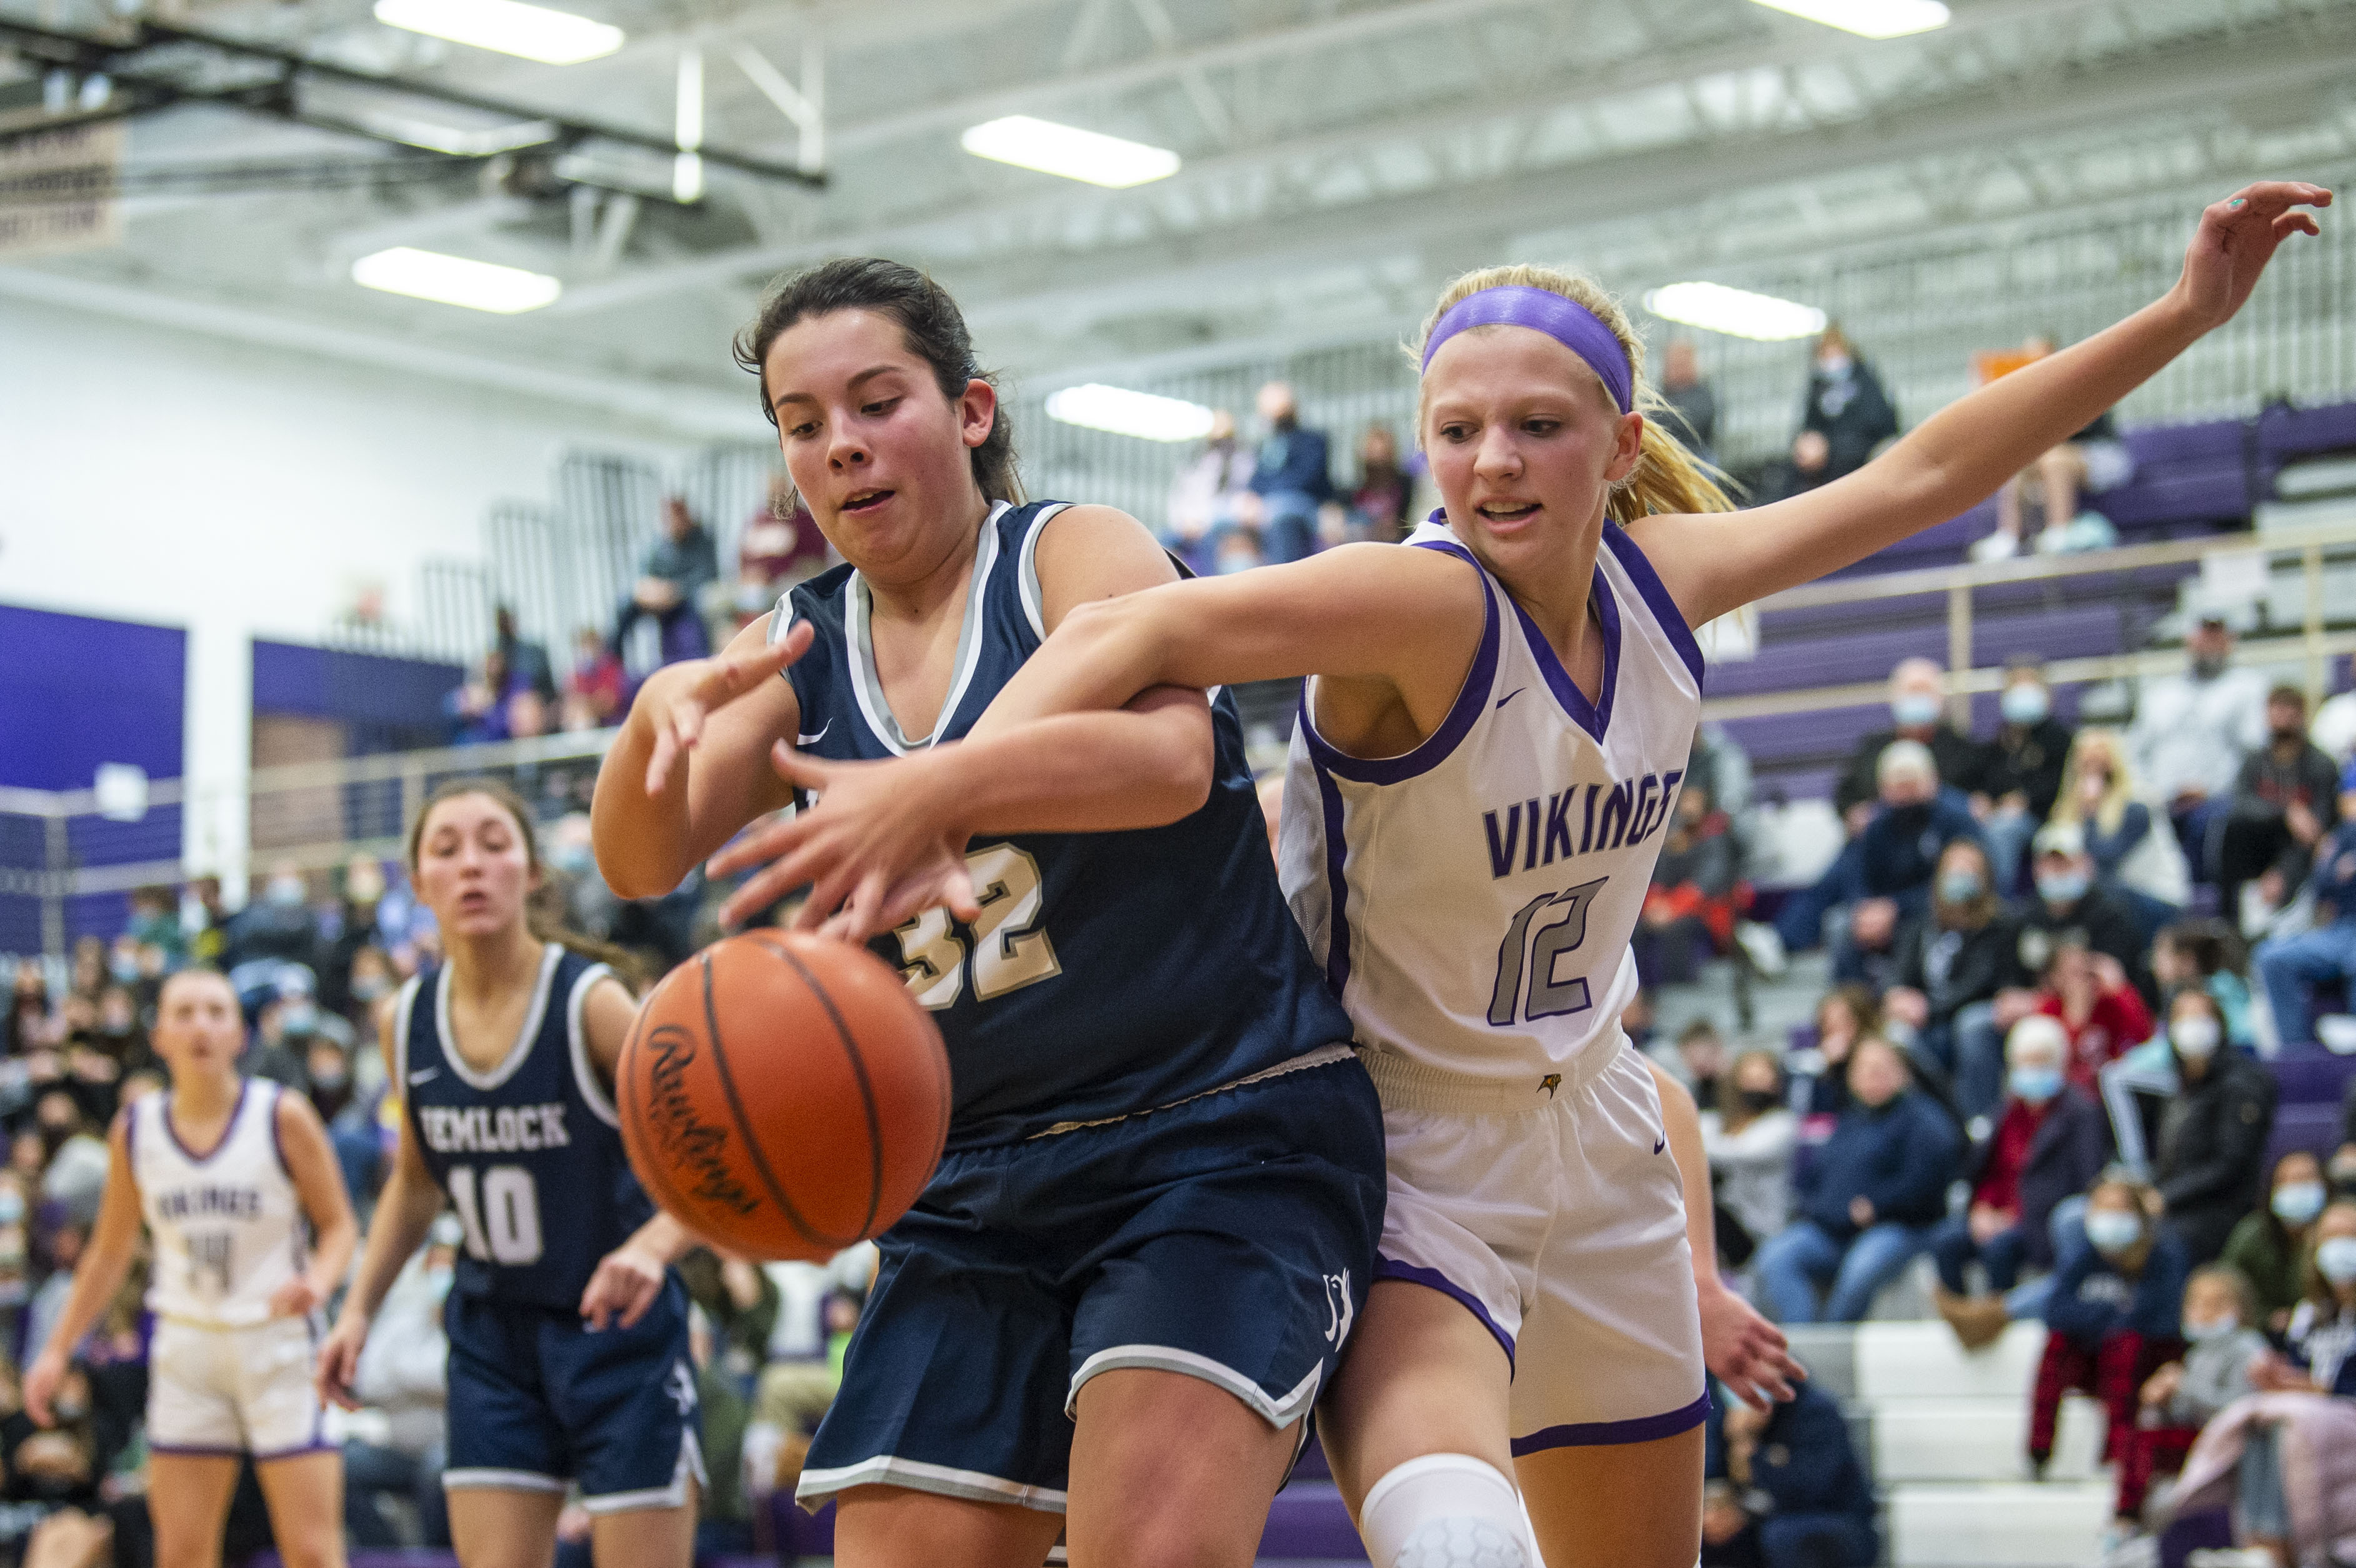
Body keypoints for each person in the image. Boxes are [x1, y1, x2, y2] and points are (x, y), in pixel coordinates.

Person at [722, 185, 2331, 1568]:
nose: (1490, 463)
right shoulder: (1413, 601)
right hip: (1406, 1142)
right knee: (1460, 1540)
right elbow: (1138, 626)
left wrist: (2183, 314)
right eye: (1455, 431)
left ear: (1620, 444)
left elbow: (1917, 480)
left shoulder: (1662, 579)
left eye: (1537, 428)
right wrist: (947, 786)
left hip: (1599, 1129)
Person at [594, 257, 1391, 1568]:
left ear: (970, 410)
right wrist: (648, 721)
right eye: (802, 422)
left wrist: (940, 789)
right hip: (969, 1185)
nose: (840, 444)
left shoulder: (1070, 551)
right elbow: (640, 857)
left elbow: (1171, 761)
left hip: (1214, 1132)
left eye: (875, 402)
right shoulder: (797, 649)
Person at [316, 781, 704, 1568]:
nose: (472, 865)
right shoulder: (404, 1020)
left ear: (531, 872)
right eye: (447, 849)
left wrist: (651, 1248)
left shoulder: (592, 1003)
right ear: (417, 884)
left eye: (494, 844)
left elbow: (710, 1155)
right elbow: (416, 1183)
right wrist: (357, 1309)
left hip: (617, 1331)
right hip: (494, 1339)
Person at [21, 967, 357, 1568]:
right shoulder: (136, 1129)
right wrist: (57, 1348)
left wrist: (319, 1281)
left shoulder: (282, 1115)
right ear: (159, 1037)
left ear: (240, 1035)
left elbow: (339, 1225)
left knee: (312, 1551)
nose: (200, 1025)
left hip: (278, 1346)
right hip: (188, 1351)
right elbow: (109, 1251)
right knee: (180, 1551)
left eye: (216, 1012)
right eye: (184, 1012)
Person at [2168, 1199, 2356, 1568]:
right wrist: (2278, 1377)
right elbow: (2300, 1371)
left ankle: (2278, 1546)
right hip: (2306, 1409)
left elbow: (2330, 1385)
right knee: (2257, 1415)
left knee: (2288, 1418)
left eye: (2350, 1235)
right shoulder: (2309, 1314)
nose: (2341, 1245)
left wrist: (2316, 1390)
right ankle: (2255, 1542)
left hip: (2341, 1412)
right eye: (2332, 1236)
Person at [1932, 1014, 2112, 1349]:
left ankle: (1994, 1327)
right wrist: (1981, 1208)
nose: (2032, 1072)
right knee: (1947, 1241)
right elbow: (1987, 1173)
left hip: (2040, 1219)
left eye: (2040, 1062)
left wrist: (2013, 1217)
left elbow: (2085, 1181)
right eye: (2025, 1063)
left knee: (2000, 1249)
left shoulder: (2080, 1114)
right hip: (1995, 1213)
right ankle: (1961, 1324)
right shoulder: (2007, 1112)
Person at [1756, 1038, 1962, 1325]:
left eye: (1880, 1068)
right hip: (1831, 1231)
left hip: (1898, 1228)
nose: (1871, 1076)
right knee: (1776, 1256)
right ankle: (1802, 1339)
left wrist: (1877, 1206)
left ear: (1902, 1073)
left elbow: (1927, 1183)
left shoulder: (1924, 1120)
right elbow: (1816, 1178)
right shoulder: (1850, 1119)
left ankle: (1831, 1339)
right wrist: (1815, 1208)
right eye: (1863, 1069)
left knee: (1862, 1268)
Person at [2030, 1171, 2187, 1481]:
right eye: (2102, 1209)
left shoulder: (2164, 1256)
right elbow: (2056, 1311)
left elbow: (2161, 1320)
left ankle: (2116, 1454)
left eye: (2119, 1209)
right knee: (2057, 1344)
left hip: (2146, 1361)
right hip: (2095, 1355)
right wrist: (2110, 1313)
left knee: (2124, 1343)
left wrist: (2104, 1320)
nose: (2110, 1218)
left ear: (2139, 1216)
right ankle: (2039, 1451)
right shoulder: (2082, 1255)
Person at [2114, 1264, 2265, 1540]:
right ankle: (2128, 1517)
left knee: (2146, 1444)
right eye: (2197, 1303)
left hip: (2228, 1442)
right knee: (2138, 1432)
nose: (2205, 1311)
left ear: (2241, 1308)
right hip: (2198, 1434)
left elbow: (2239, 1408)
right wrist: (2163, 1400)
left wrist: (2184, 1386)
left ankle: (2128, 1517)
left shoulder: (2248, 1347)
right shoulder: (2197, 1353)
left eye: (2217, 1303)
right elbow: (2186, 1410)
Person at [1880, 837, 2016, 1120]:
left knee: (1969, 1026)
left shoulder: (2000, 925)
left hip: (1969, 1015)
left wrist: (1928, 1008)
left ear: (1984, 878)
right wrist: (1896, 996)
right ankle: (1920, 1120)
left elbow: (1980, 982)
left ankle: (1978, 1119)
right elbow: (1898, 974)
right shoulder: (1922, 924)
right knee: (1894, 1033)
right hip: (1927, 1020)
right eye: (1953, 868)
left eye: (1968, 868)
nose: (1959, 875)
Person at [1975, 333, 2137, 561]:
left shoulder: (2080, 382)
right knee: (2016, 464)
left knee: (2055, 459)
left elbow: (2069, 434)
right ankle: (2009, 537)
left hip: (2104, 456)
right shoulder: (2029, 392)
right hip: (2059, 457)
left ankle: (2060, 532)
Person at [2129, 613, 2270, 872]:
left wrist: (2211, 789)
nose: (2210, 643)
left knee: (2213, 826)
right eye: (2204, 635)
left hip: (2219, 802)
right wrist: (2151, 793)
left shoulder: (2248, 688)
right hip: (2161, 802)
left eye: (2217, 635)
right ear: (2189, 640)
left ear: (2230, 641)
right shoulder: (2161, 693)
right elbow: (2134, 752)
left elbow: (2256, 754)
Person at [2150, 985, 2277, 1267]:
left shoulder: (2243, 1082)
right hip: (2180, 1204)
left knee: (2159, 1243)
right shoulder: (2182, 1084)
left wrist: (2166, 1197)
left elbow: (2230, 1166)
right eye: (2183, 1018)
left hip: (2222, 1209)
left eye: (2201, 1017)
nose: (2192, 1026)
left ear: (2220, 1024)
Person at [1700, 1379, 1875, 1568]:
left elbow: (1814, 1489)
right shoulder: (1718, 1407)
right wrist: (1737, 1439)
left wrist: (1755, 1457)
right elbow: (1709, 1472)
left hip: (1830, 1521)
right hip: (1756, 1519)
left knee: (1782, 1536)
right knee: (1702, 1531)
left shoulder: (1815, 1410)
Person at [2217, 685, 2344, 930]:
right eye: (2276, 708)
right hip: (2257, 849)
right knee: (2232, 828)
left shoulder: (2321, 765)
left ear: (2302, 714)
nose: (2282, 717)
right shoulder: (2255, 762)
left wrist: (2283, 872)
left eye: (2289, 709)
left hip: (2301, 854)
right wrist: (2286, 812)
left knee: (2314, 839)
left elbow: (2317, 828)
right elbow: (2240, 805)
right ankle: (2228, 924)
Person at [2252, 759, 2356, 1051]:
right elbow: (2323, 885)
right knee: (2271, 957)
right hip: (2341, 930)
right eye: (2348, 797)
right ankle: (2297, 1055)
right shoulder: (2341, 835)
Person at [2050, 727, 2191, 922]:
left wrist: (2090, 813)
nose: (2092, 774)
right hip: (2113, 894)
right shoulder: (2067, 807)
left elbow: (2106, 860)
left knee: (2100, 894)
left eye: (2099, 765)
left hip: (2155, 895)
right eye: (2087, 765)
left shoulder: (2138, 803)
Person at [2010, 821, 2156, 1007]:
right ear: (2036, 869)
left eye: (2065, 864)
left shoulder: (2112, 916)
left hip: (2097, 1007)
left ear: (2086, 864)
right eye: (2051, 865)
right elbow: (2012, 981)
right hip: (2035, 1006)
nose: (2058, 873)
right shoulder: (2023, 918)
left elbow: (2114, 979)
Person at [1832, 661, 1984, 833]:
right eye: (1912, 691)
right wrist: (1853, 813)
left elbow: (1980, 796)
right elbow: (1847, 795)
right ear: (1895, 696)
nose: (1917, 698)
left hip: (1945, 834)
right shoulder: (1871, 747)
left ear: (1940, 698)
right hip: (1884, 834)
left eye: (1924, 691)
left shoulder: (1961, 747)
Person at [1975, 657, 2076, 894]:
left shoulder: (2059, 738)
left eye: (2030, 687)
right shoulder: (2002, 739)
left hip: (2045, 817)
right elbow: (1991, 778)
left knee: (2004, 829)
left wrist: (2026, 799)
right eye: (2017, 688)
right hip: (2004, 814)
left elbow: (2062, 783)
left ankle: (2000, 899)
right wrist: (1987, 799)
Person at [1702, 1051, 1798, 1270]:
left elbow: (1742, 1153)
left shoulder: (1781, 1124)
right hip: (1726, 1220)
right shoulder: (1721, 1122)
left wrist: (1694, 1145)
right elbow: (1693, 1128)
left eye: (1765, 1081)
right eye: (1751, 1081)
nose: (1758, 1088)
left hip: (1759, 1228)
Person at [2222, 1152, 2331, 1334]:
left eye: (2306, 1179)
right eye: (2288, 1181)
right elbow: (2226, 1286)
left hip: (2326, 1329)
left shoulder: (2339, 1228)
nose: (2297, 1189)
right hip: (2261, 1333)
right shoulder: (2252, 1233)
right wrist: (2266, 1318)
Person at [2032, 936, 2155, 1094]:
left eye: (2086, 973)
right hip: (2066, 1093)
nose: (2082, 981)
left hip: (2107, 1087)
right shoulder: (2048, 1009)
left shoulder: (2108, 1002)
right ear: (2056, 978)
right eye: (2073, 973)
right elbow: (2053, 1063)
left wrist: (2120, 987)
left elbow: (2144, 1037)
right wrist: (2076, 1019)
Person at [1788, 322, 1898, 492]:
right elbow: (1810, 425)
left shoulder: (1864, 379)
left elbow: (1882, 422)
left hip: (1863, 451)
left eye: (1836, 352)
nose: (1832, 360)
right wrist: (1810, 442)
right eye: (1826, 354)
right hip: (1828, 460)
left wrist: (1835, 444)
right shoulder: (1817, 387)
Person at [614, 497, 719, 666]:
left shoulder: (702, 541)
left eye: (678, 517)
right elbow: (644, 577)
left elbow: (707, 576)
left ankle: (700, 664)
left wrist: (675, 591)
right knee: (624, 605)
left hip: (687, 598)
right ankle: (612, 662)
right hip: (658, 598)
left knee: (699, 607)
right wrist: (655, 592)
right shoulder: (656, 543)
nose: (674, 523)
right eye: (669, 518)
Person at [1245, 381, 1334, 564]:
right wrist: (1252, 499)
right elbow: (1256, 480)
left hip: (1305, 504)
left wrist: (1266, 500)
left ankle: (1281, 579)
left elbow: (1306, 479)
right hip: (1270, 506)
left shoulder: (1313, 440)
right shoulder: (1266, 445)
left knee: (1281, 511)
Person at [1165, 409, 1257, 575]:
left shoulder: (1241, 459)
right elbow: (1180, 495)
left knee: (1209, 538)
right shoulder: (1195, 460)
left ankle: (1207, 583)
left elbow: (1238, 495)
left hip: (1217, 521)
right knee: (1162, 542)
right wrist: (1185, 522)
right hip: (1188, 523)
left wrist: (1203, 522)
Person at [1347, 422, 1414, 544]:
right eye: (1372, 454)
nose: (1378, 463)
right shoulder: (1353, 491)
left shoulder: (1406, 486)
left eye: (1383, 455)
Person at [1655, 339, 1719, 467]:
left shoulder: (1702, 395)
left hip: (1696, 459)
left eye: (1681, 364)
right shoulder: (1658, 395)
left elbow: (1690, 425)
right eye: (1673, 365)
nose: (1676, 370)